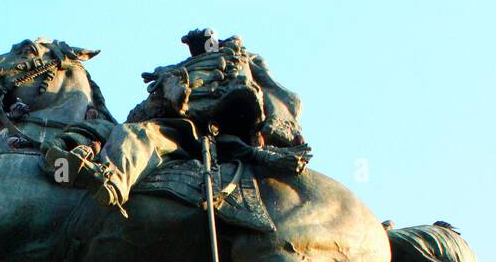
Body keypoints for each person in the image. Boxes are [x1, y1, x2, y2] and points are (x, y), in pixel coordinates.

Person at [43, 28, 310, 211]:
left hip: (194, 132)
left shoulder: (232, 67)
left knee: (138, 135)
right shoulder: (178, 71)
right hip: (167, 120)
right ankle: (69, 153)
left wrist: (179, 96)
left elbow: (248, 100)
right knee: (98, 127)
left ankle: (112, 182)